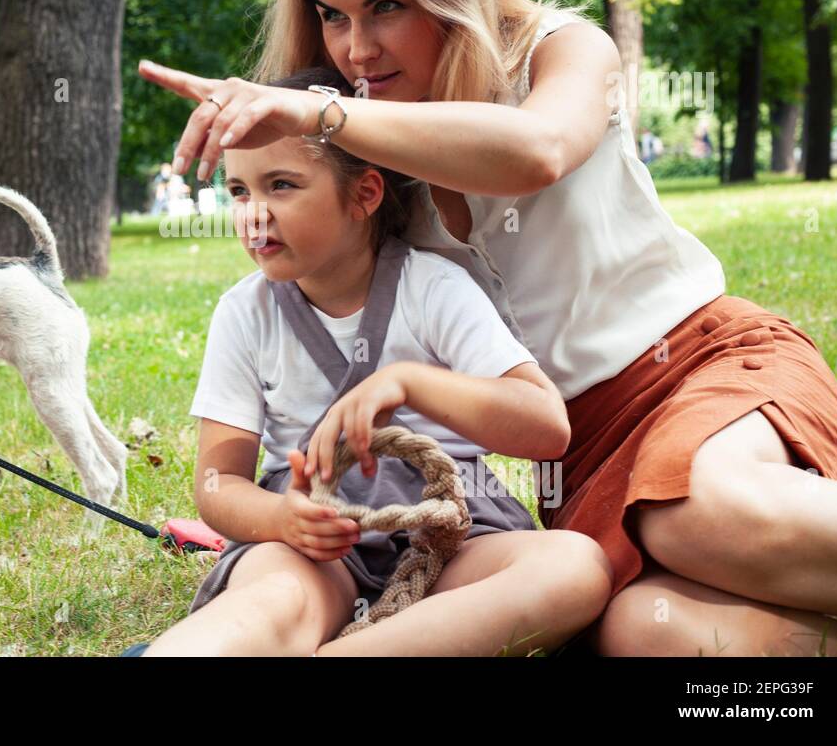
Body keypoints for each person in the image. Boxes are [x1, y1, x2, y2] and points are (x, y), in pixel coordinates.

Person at [139, 0, 837, 655]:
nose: (357, 49)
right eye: (333, 17)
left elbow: (539, 150)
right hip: (575, 456)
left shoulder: (559, 50)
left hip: (700, 369)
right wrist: (273, 511)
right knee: (646, 637)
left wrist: (324, 114)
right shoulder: (373, 162)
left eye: (386, 6)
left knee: (699, 511)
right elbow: (299, 286)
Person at [140, 68, 613, 656]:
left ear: (364, 194)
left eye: (281, 185)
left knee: (575, 565)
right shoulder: (246, 313)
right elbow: (219, 484)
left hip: (451, 537)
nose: (253, 215)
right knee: (269, 603)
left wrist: (408, 382)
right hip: (315, 552)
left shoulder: (434, 288)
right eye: (239, 192)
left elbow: (545, 426)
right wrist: (282, 519)